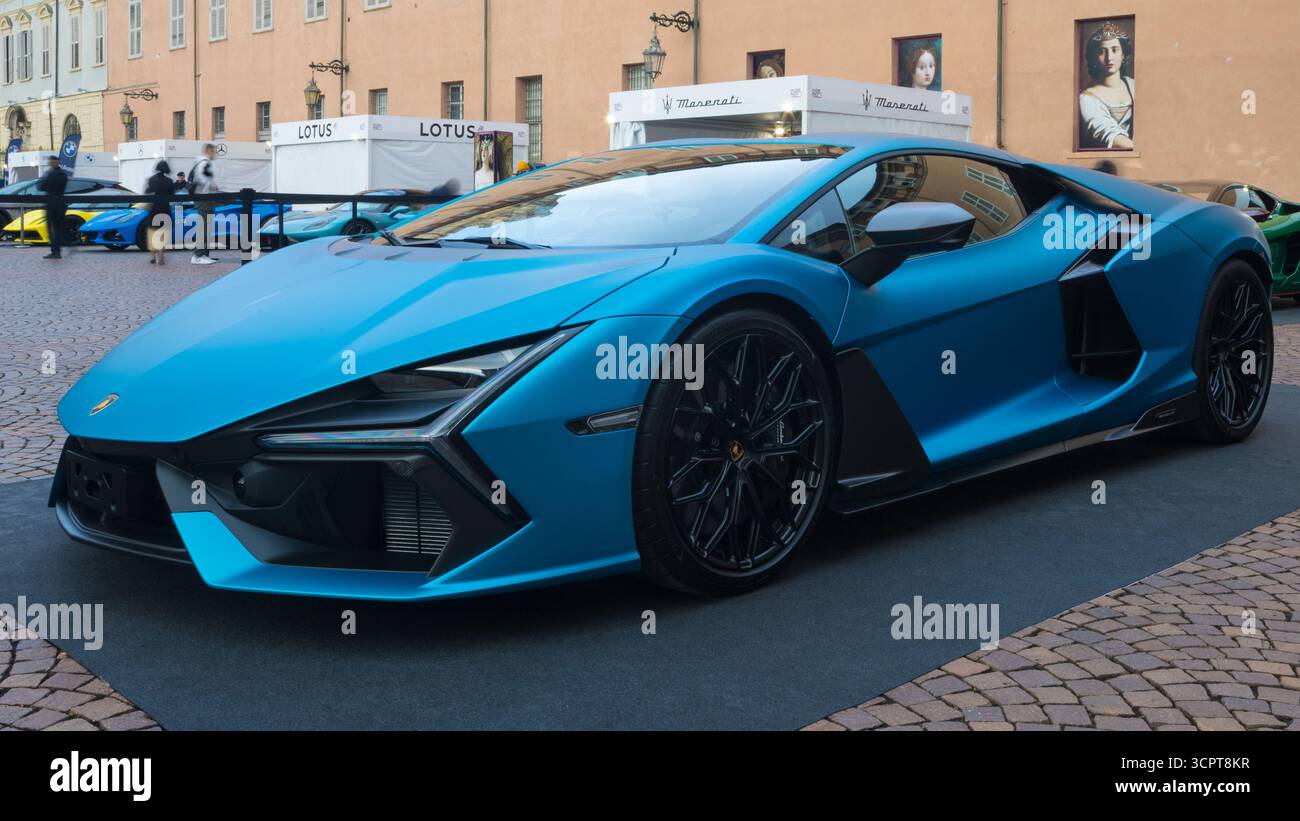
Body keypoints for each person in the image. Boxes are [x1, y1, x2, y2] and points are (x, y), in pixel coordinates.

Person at [1078, 21, 1135, 150]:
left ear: (1123, 54)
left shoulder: (1134, 86)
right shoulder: (1086, 99)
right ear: (1094, 58)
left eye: (1115, 50)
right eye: (1102, 51)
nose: (1109, 57)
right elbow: (1109, 134)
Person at [188, 144, 218, 264]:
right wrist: (213, 187)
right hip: (204, 198)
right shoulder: (205, 164)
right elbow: (204, 181)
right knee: (204, 226)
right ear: (209, 151)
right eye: (214, 152)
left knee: (206, 226)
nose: (215, 154)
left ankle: (203, 254)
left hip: (202, 198)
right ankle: (198, 255)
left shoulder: (199, 163)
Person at [145, 160, 177, 266]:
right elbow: (172, 194)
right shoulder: (169, 181)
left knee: (152, 232)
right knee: (164, 234)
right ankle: (162, 257)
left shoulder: (151, 179)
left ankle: (152, 256)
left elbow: (147, 192)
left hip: (154, 209)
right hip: (165, 208)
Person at [37, 155, 68, 259]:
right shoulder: (63, 174)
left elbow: (41, 186)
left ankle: (54, 251)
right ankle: (57, 251)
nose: (50, 163)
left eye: (51, 161)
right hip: (60, 202)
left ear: (55, 162)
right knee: (57, 228)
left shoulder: (49, 174)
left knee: (51, 228)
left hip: (51, 203)